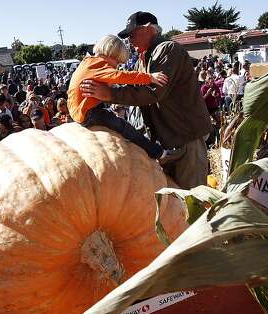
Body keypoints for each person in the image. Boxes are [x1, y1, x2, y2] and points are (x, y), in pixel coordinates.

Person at [80, 12, 213, 188]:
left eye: (132, 34)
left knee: (193, 200)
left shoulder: (167, 50)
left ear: (148, 29)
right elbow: (133, 86)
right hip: (168, 141)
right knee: (172, 204)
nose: (129, 40)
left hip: (185, 139)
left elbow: (153, 92)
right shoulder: (143, 58)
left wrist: (109, 94)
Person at [68, 34, 182, 162]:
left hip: (78, 111)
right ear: (112, 54)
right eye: (117, 62)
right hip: (89, 112)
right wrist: (149, 77)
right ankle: (159, 153)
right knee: (123, 126)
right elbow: (120, 76)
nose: (117, 66)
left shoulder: (88, 62)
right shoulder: (99, 65)